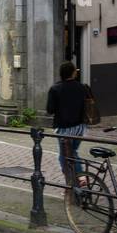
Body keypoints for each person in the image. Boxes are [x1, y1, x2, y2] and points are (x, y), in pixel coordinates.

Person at [47, 60, 87, 188]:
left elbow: (50, 110)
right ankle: (75, 184)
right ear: (73, 73)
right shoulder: (82, 87)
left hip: (64, 128)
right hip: (80, 127)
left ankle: (76, 181)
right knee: (73, 152)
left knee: (65, 157)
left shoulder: (55, 89)